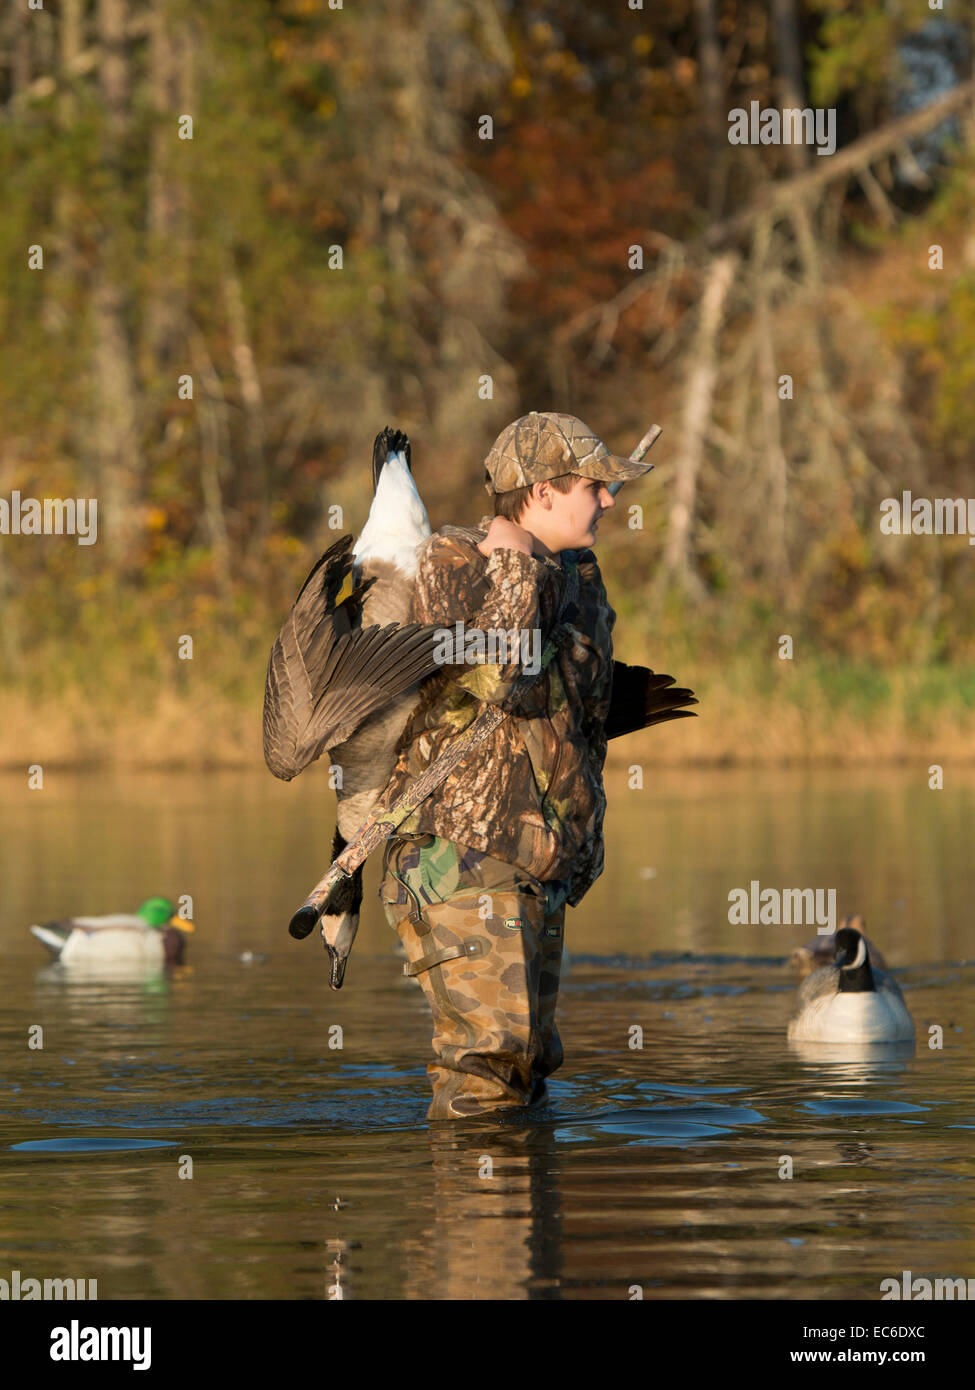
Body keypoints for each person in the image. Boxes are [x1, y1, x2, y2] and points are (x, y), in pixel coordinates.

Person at [374, 411, 653, 1120]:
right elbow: (499, 677)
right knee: (486, 1067)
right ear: (542, 490)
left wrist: (579, 851)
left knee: (527, 1067)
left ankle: (522, 1224)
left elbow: (584, 720)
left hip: (538, 862)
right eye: (596, 486)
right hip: (461, 855)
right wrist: (512, 563)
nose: (611, 501)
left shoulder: (579, 577)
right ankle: (481, 1222)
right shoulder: (455, 560)